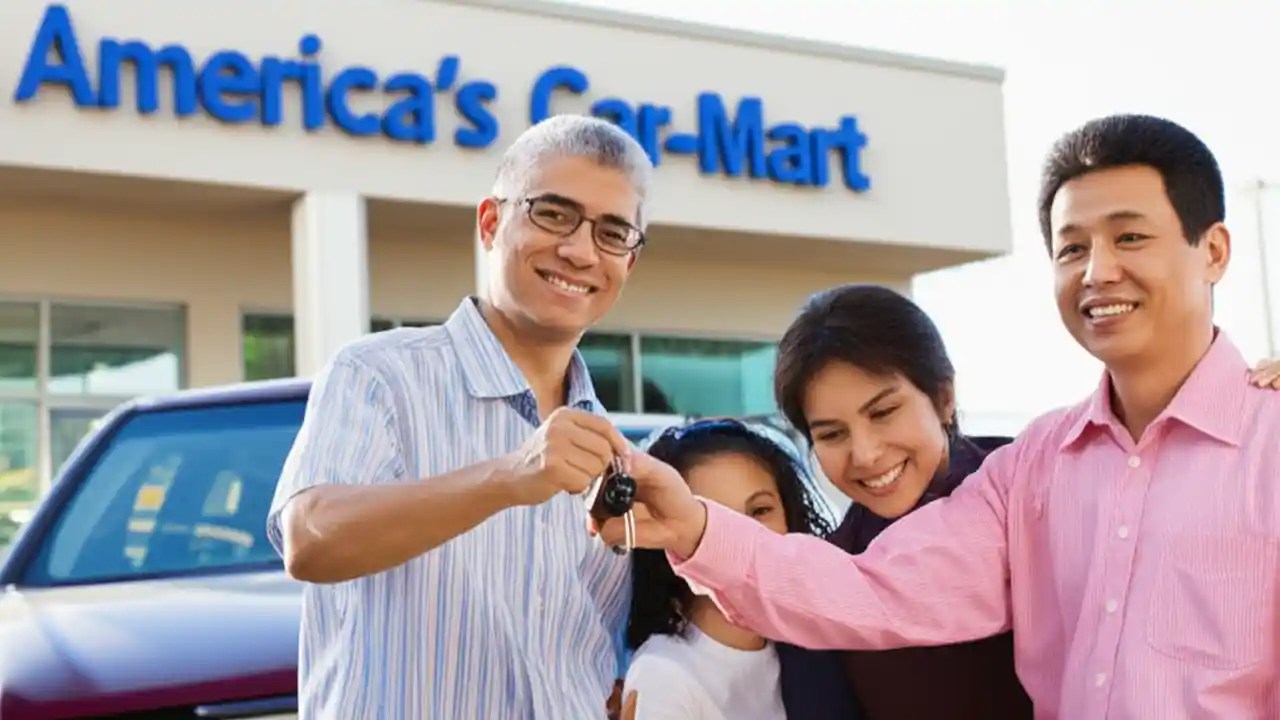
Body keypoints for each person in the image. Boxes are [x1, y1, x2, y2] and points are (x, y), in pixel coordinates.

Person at [601, 113, 1280, 719]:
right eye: (1072, 248)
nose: (1098, 271)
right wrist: (692, 527)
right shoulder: (1035, 468)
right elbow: (874, 589)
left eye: (1130, 237)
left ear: (1214, 250)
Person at [267, 114, 653, 719]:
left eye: (612, 232)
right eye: (554, 213)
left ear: (629, 262)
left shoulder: (615, 448)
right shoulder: (379, 375)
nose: (580, 251)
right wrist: (505, 478)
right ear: (491, 223)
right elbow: (309, 539)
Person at [770, 283, 1034, 719]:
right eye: (832, 434)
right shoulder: (824, 579)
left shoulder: (1041, 485)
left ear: (944, 397)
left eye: (883, 412)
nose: (866, 454)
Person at [619, 418, 838, 719]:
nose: (744, 537)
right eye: (711, 519)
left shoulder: (812, 650)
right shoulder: (664, 674)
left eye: (760, 511)